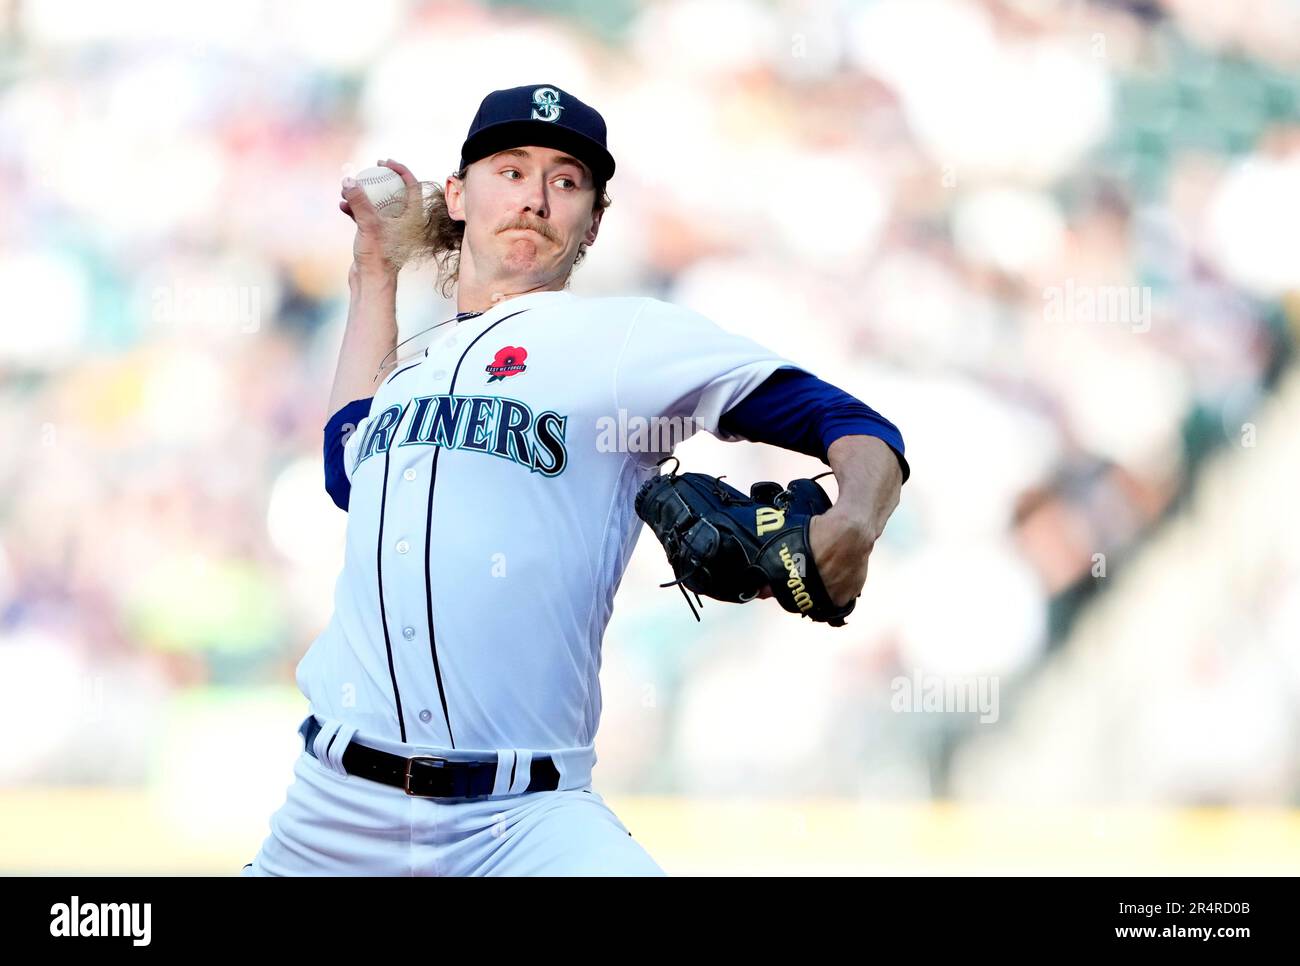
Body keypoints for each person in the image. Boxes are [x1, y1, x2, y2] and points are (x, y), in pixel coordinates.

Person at [242, 84, 909, 876]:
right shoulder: (410, 370)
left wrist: (857, 520)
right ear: (456, 197)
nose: (535, 198)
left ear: (591, 223)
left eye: (566, 182)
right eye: (512, 170)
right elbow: (347, 473)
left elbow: (854, 424)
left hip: (523, 823)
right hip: (331, 816)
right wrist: (375, 270)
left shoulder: (625, 340)